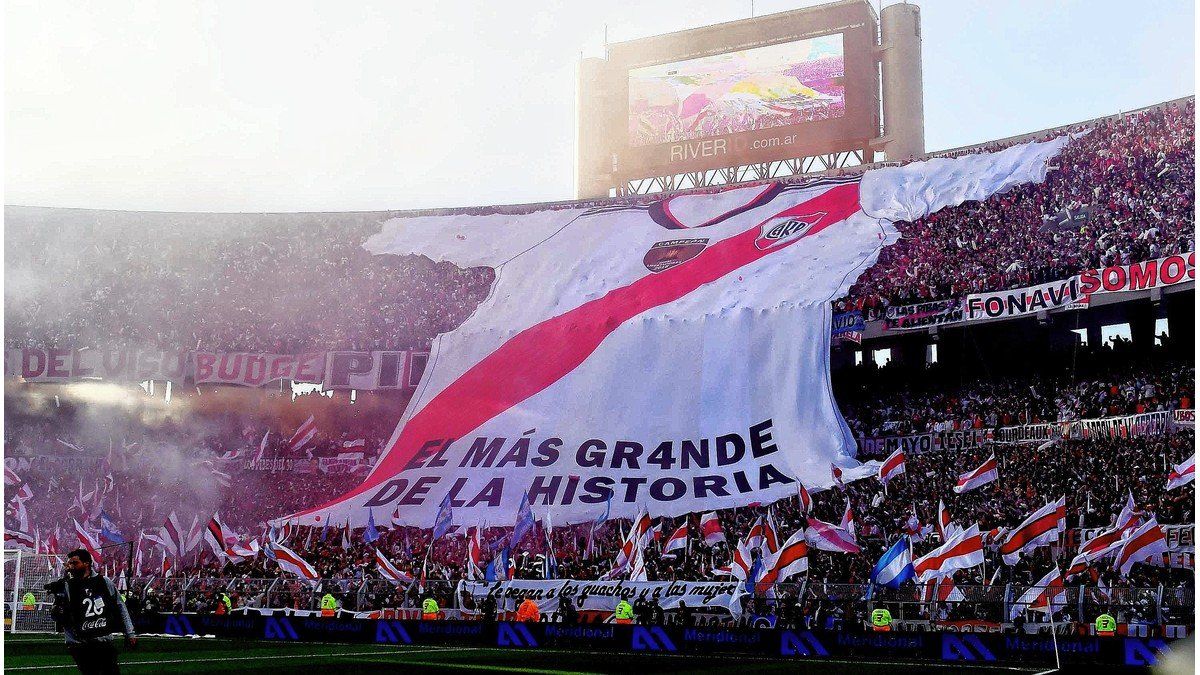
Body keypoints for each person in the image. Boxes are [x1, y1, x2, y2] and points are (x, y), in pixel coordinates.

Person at [46, 548, 136, 674]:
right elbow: (56, 615)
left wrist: (129, 632)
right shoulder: (66, 586)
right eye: (70, 563)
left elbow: (120, 606)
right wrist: (58, 610)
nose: (71, 566)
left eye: (75, 563)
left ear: (86, 563)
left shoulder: (104, 582)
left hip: (103, 639)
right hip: (80, 644)